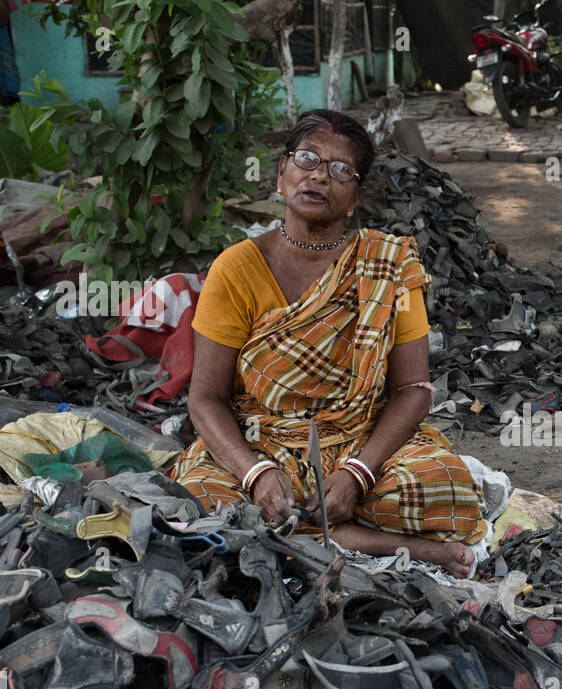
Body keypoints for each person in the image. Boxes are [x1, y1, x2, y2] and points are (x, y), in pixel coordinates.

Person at [169, 109, 483, 578]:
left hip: (363, 437)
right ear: (281, 173)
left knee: (441, 486)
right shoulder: (236, 268)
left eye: (340, 170)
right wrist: (254, 474)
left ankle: (325, 531)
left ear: (355, 196)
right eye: (307, 158)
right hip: (264, 439)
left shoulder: (386, 264)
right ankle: (389, 544)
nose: (319, 175)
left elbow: (414, 388)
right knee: (202, 502)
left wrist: (360, 473)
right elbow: (206, 397)